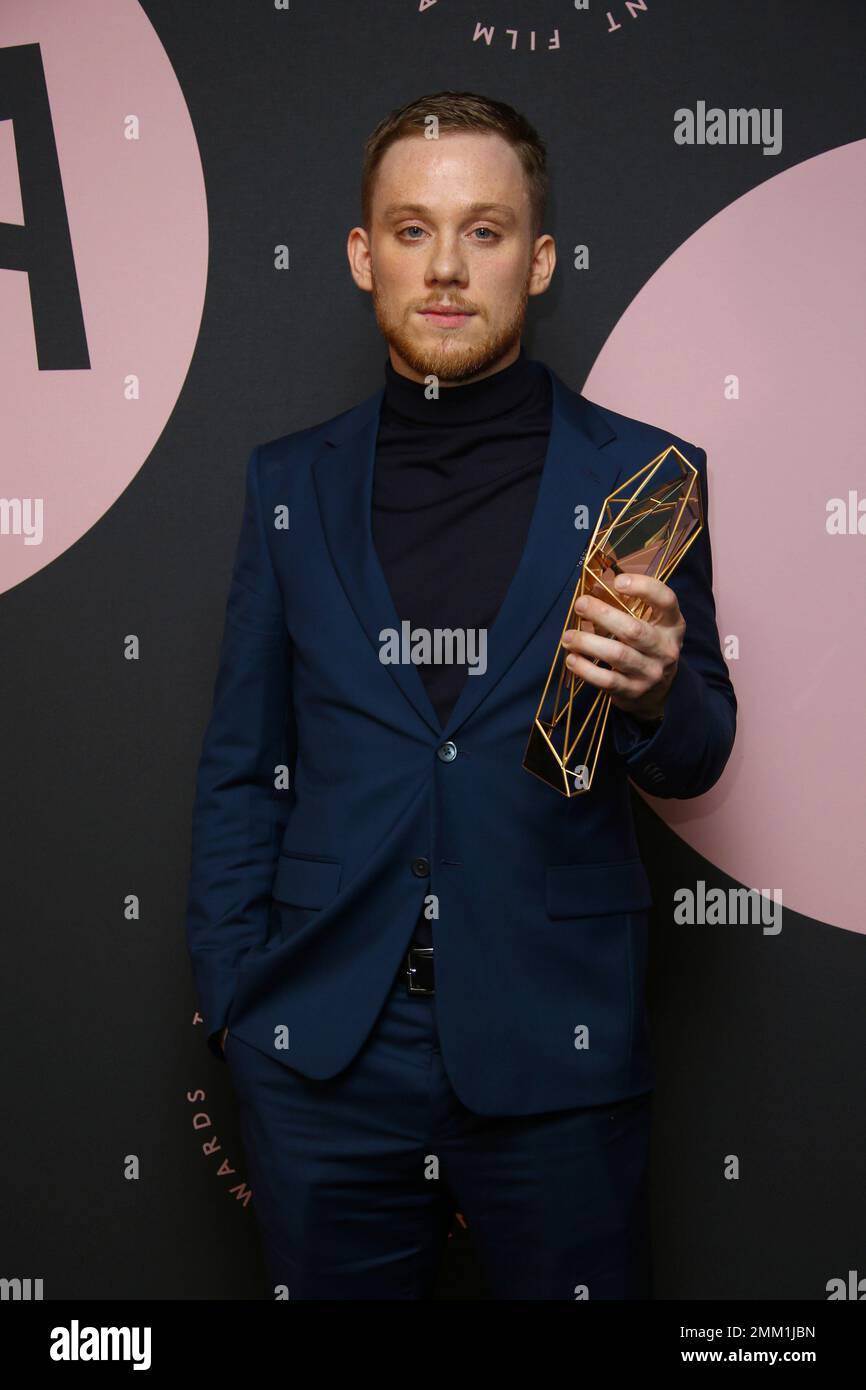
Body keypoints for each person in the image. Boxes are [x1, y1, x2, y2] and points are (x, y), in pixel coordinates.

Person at [184, 90, 736, 1300]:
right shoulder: (289, 484)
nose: (444, 267)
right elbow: (242, 763)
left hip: (556, 1048)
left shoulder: (645, 478)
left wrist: (652, 695)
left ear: (536, 261)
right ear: (361, 253)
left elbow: (698, 750)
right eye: (411, 229)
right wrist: (238, 1005)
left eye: (483, 231)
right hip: (324, 1054)